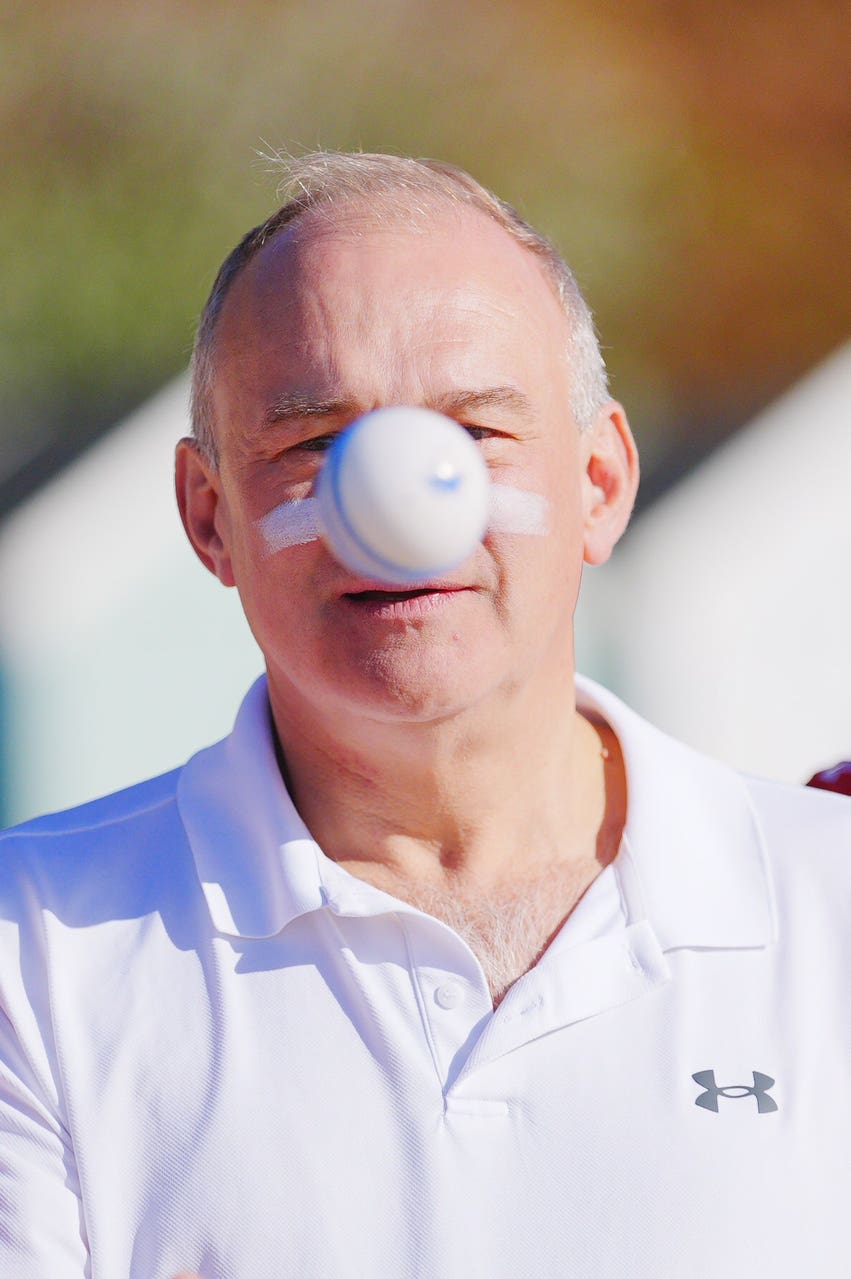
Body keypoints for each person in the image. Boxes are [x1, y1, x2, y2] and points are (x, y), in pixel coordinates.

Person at [0, 151, 848, 1279]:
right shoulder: (32, 957)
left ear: (597, 484)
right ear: (209, 517)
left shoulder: (827, 909)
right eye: (313, 443)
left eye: (473, 433)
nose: (397, 502)